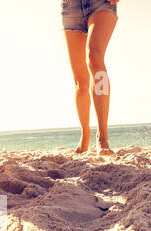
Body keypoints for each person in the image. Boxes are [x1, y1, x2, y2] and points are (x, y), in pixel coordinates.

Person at [62, 0, 118, 156]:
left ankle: (102, 137)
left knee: (94, 57)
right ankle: (85, 133)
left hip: (102, 4)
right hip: (70, 7)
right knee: (81, 84)